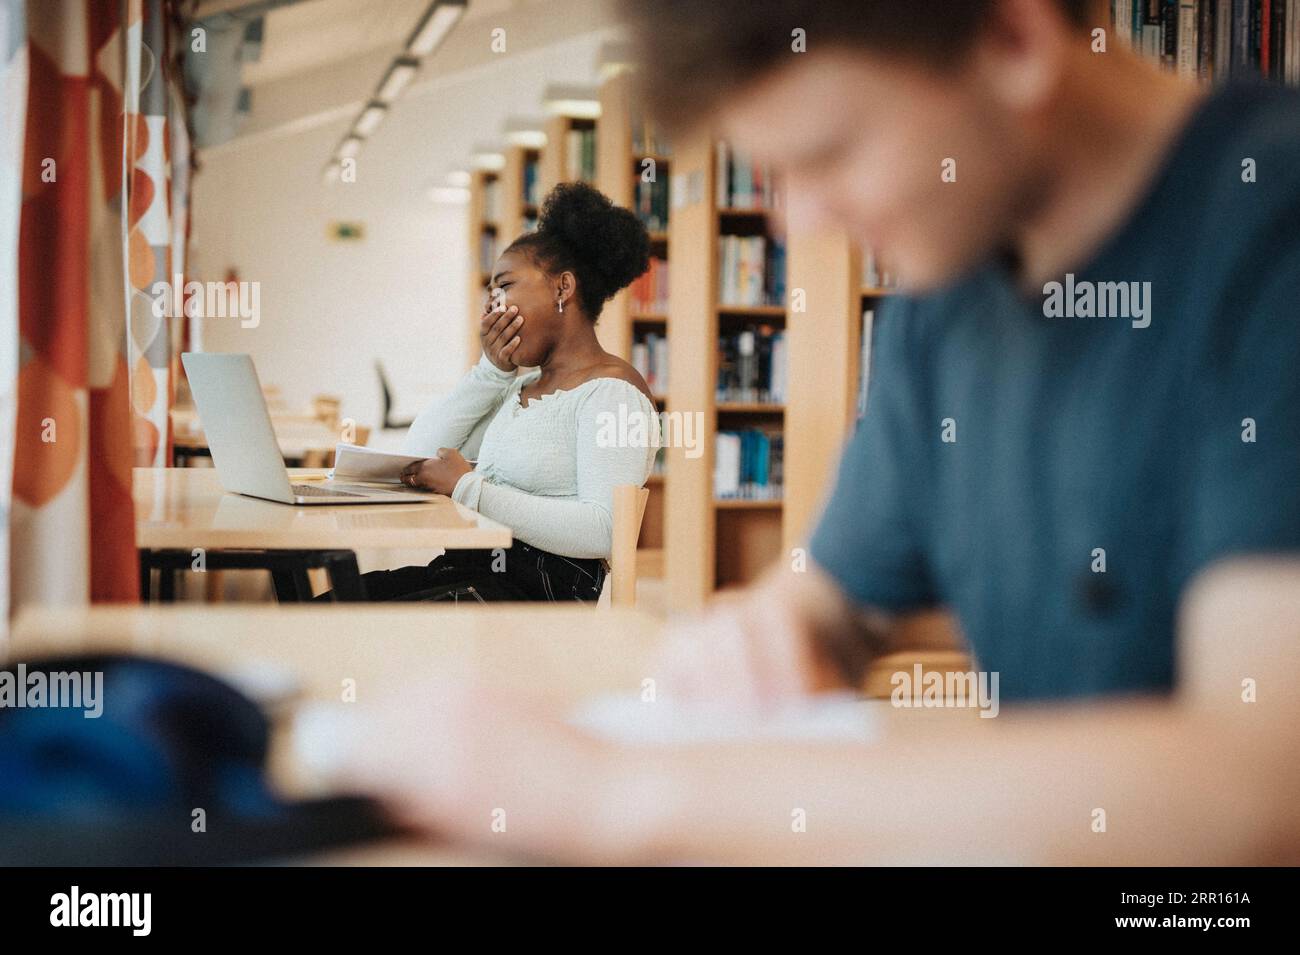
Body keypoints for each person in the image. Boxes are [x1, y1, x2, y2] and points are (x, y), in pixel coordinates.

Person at [328, 0, 1300, 862]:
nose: (798, 223)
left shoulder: (1270, 229)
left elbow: (1261, 783)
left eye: (826, 155)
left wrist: (616, 793)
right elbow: (833, 597)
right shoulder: (946, 287)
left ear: (1012, 37)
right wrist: (761, 630)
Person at [355, 182, 657, 602]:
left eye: (505, 286)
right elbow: (421, 451)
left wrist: (468, 488)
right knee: (339, 599)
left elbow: (605, 532)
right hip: (472, 576)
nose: (491, 308)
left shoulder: (612, 394)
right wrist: (490, 372)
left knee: (345, 618)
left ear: (562, 288)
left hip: (531, 602)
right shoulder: (518, 389)